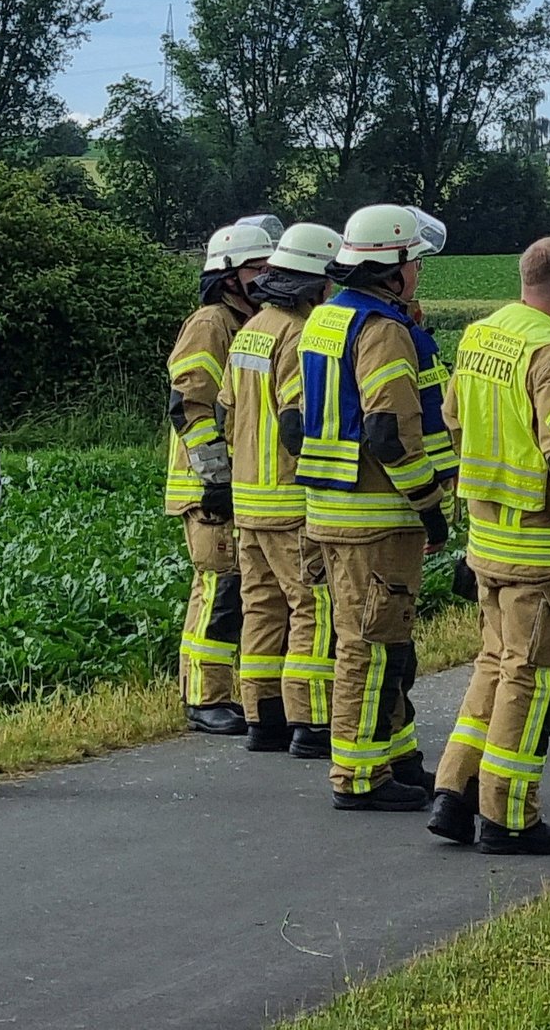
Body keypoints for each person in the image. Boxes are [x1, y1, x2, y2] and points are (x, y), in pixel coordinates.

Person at [429, 237, 550, 855]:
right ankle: (509, 817)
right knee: (535, 679)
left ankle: (454, 794)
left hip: (489, 541)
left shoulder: (481, 335)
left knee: (495, 666)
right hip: (547, 552)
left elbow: (455, 422)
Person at [294, 204, 455, 812]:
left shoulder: (327, 319)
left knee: (378, 642)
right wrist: (430, 503)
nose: (417, 271)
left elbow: (293, 417)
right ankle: (360, 776)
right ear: (391, 265)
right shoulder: (383, 328)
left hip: (330, 510)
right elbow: (390, 431)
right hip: (378, 515)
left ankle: (393, 756)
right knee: (370, 644)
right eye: (413, 259)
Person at [219, 223, 338, 757]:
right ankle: (310, 721)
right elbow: (297, 422)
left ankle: (262, 718)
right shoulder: (299, 331)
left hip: (249, 500)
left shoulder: (252, 328)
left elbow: (224, 409)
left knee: (261, 607)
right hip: (291, 501)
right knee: (311, 605)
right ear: (316, 283)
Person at [167, 217, 277, 736]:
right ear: (231, 275)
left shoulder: (249, 321)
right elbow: (190, 403)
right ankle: (203, 697)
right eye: (260, 267)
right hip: (210, 483)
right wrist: (216, 477)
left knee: (227, 587)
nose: (270, 275)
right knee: (219, 588)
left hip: (235, 481)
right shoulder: (212, 322)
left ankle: (212, 692)